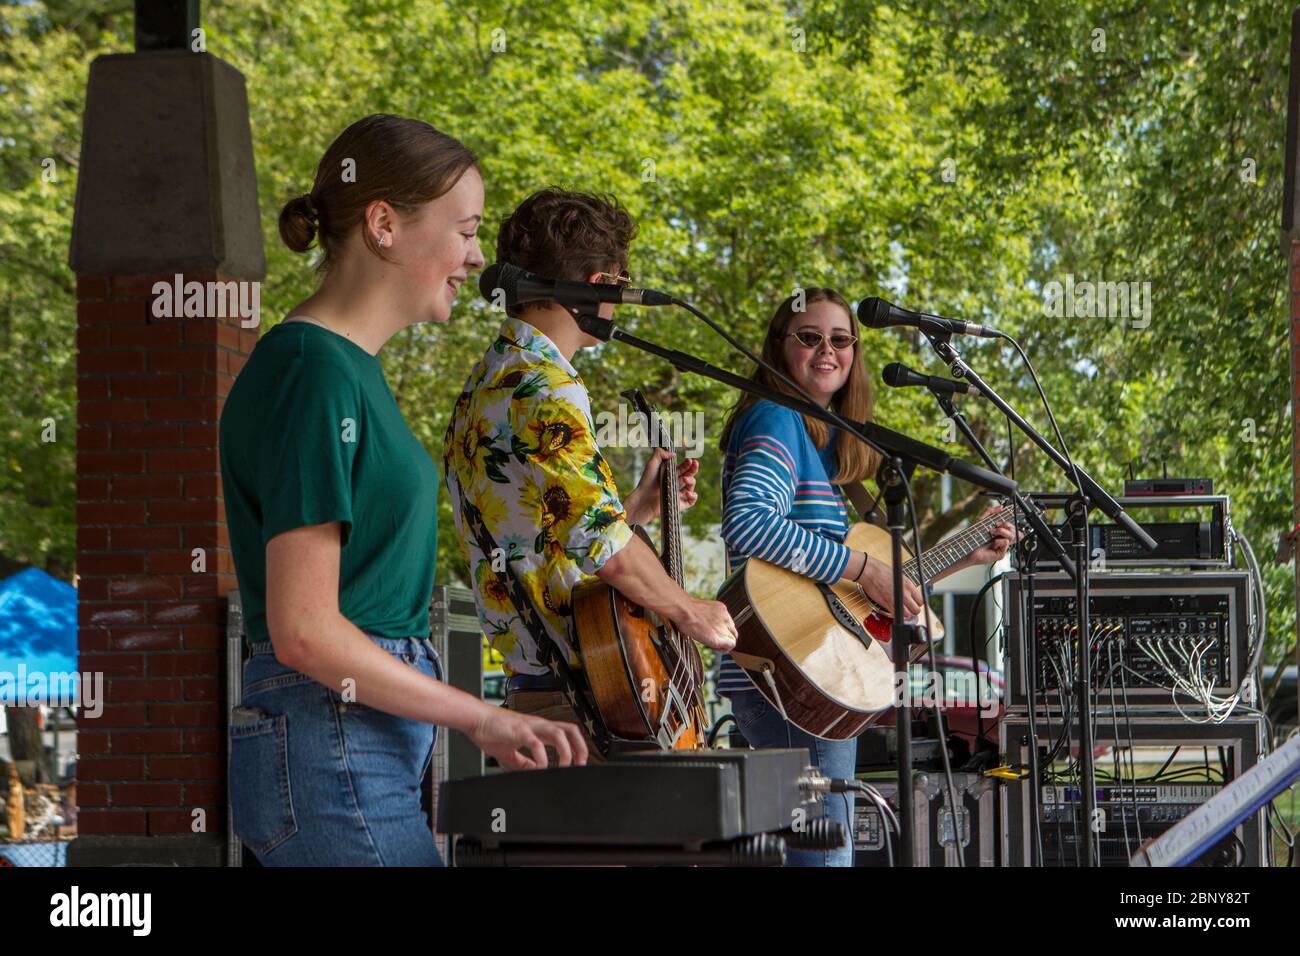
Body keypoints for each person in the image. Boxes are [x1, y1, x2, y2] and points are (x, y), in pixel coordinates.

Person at [219, 115, 587, 867]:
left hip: (350, 742)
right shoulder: (313, 372)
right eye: (465, 230)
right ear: (383, 224)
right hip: (332, 740)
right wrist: (480, 717)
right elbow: (305, 631)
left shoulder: (348, 371)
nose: (477, 256)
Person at [716, 287, 1016, 866]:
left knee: (815, 856)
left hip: (808, 677)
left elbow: (857, 595)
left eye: (840, 339)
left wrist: (966, 556)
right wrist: (862, 565)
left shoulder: (825, 449)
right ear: (779, 348)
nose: (826, 350)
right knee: (824, 858)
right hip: (788, 679)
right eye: (809, 337)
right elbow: (749, 525)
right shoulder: (777, 418)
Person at [443, 187, 736, 758]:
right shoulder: (547, 388)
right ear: (602, 285)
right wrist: (689, 608)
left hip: (547, 692)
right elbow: (609, 551)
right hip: (581, 704)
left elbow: (554, 538)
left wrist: (638, 509)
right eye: (620, 284)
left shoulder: (494, 377)